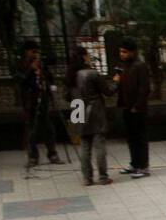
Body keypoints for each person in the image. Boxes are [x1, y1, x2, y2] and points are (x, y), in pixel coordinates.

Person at [67, 46, 114, 186]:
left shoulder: (70, 75)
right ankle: (103, 176)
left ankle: (87, 178)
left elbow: (66, 95)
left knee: (84, 144)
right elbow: (108, 91)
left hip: (77, 107)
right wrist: (117, 81)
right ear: (83, 56)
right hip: (94, 109)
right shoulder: (92, 73)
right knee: (99, 144)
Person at [14, 40, 63, 168]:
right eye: (33, 51)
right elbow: (20, 80)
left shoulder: (41, 63)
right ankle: (33, 157)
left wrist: (47, 80)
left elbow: (49, 76)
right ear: (26, 51)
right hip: (30, 101)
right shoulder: (20, 64)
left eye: (36, 51)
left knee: (48, 127)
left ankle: (52, 154)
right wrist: (31, 69)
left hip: (43, 98)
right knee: (32, 130)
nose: (35, 54)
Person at [116, 37, 151, 178]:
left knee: (140, 138)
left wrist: (138, 105)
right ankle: (135, 164)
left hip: (137, 108)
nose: (122, 54)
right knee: (131, 137)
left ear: (132, 52)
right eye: (120, 52)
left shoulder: (140, 66)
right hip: (126, 107)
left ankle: (143, 166)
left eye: (124, 52)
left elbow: (144, 88)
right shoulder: (124, 66)